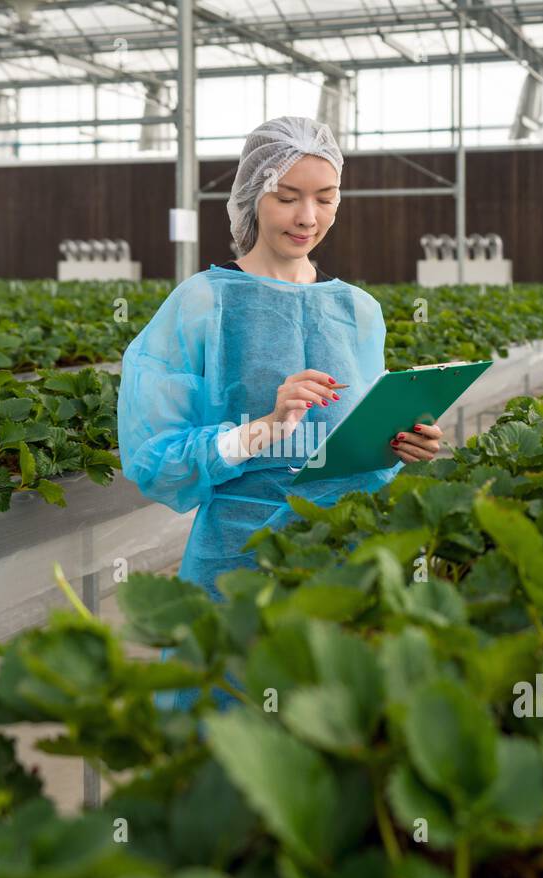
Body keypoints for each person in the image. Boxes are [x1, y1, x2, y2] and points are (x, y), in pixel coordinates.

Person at [117, 116, 444, 712]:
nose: (307, 218)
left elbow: (364, 450)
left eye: (325, 198)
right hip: (235, 564)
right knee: (229, 744)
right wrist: (262, 430)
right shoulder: (204, 303)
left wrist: (404, 448)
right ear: (250, 197)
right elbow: (155, 458)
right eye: (287, 197)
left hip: (342, 559)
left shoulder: (359, 311)